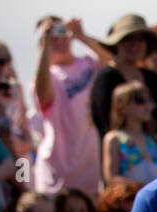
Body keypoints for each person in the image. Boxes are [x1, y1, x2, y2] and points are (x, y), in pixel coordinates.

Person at [32, 17, 107, 196]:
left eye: (61, 31)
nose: (59, 40)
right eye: (52, 35)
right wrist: (44, 48)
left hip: (90, 169)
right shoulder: (46, 75)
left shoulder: (89, 62)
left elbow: (113, 61)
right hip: (56, 171)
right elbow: (43, 94)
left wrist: (83, 37)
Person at [89, 15, 157, 145]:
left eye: (140, 39)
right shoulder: (106, 78)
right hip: (122, 156)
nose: (134, 44)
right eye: (128, 38)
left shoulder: (152, 78)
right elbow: (105, 124)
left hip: (156, 157)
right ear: (117, 43)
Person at [101, 80, 157, 186]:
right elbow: (111, 178)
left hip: (155, 200)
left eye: (149, 100)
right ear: (121, 106)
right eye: (140, 101)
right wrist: (143, 188)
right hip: (129, 200)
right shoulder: (114, 138)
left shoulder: (155, 139)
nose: (148, 106)